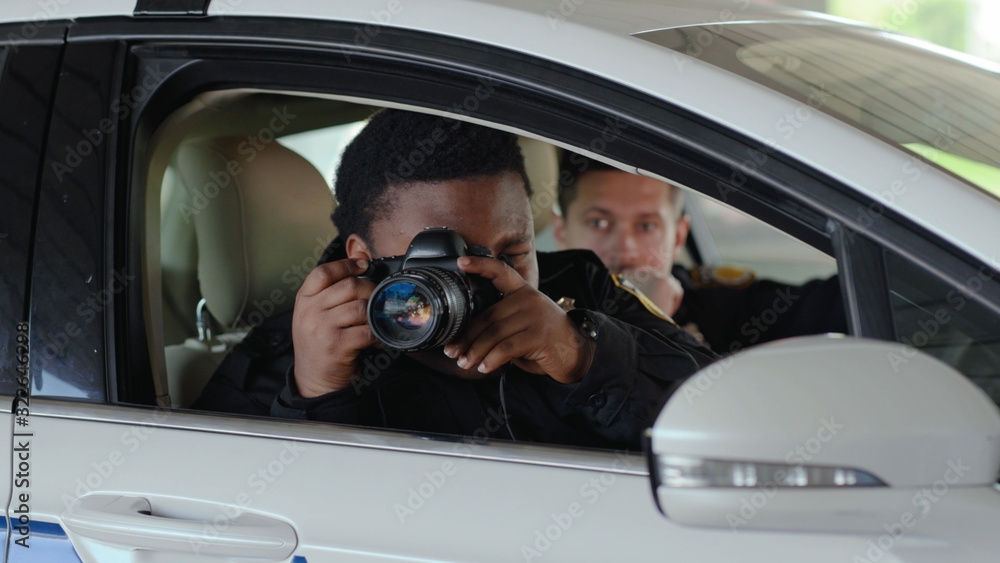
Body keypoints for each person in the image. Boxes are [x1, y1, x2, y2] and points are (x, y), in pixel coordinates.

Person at [193, 109, 715, 450]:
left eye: (512, 253)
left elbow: (723, 413)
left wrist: (582, 355)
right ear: (363, 257)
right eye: (437, 265)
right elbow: (257, 524)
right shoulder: (297, 352)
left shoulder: (577, 287)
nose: (484, 285)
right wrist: (317, 393)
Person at [550, 153, 848, 356]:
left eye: (646, 225)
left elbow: (850, 304)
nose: (625, 247)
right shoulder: (538, 318)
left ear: (678, 235)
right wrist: (645, 319)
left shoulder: (719, 305)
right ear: (561, 230)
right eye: (599, 223)